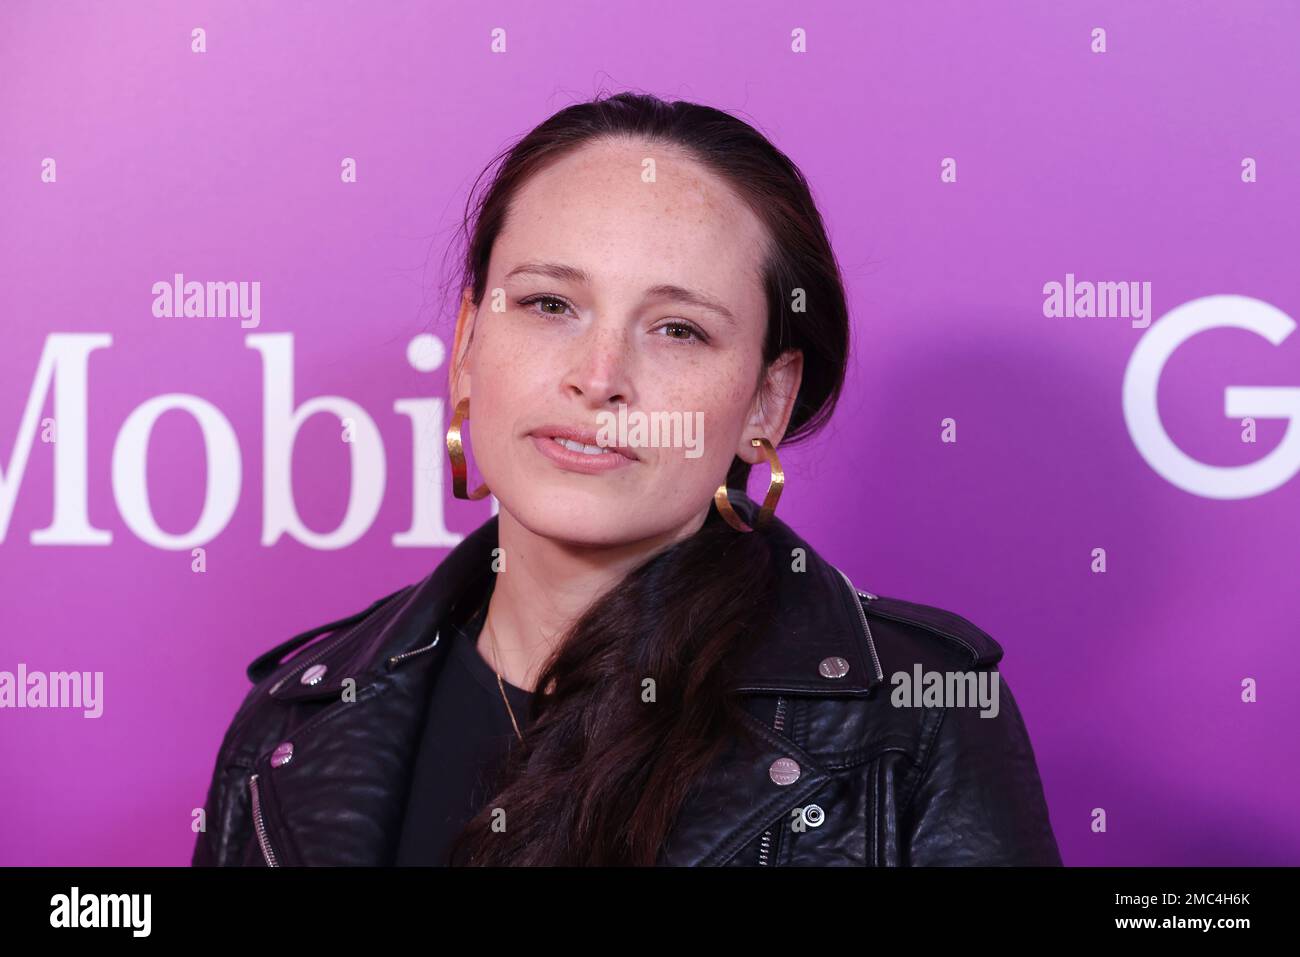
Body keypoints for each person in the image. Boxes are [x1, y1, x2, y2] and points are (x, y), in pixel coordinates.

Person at [192, 91, 1061, 867]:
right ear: (466, 345)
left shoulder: (919, 718)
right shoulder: (292, 722)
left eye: (679, 329)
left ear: (767, 399)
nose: (599, 375)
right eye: (548, 305)